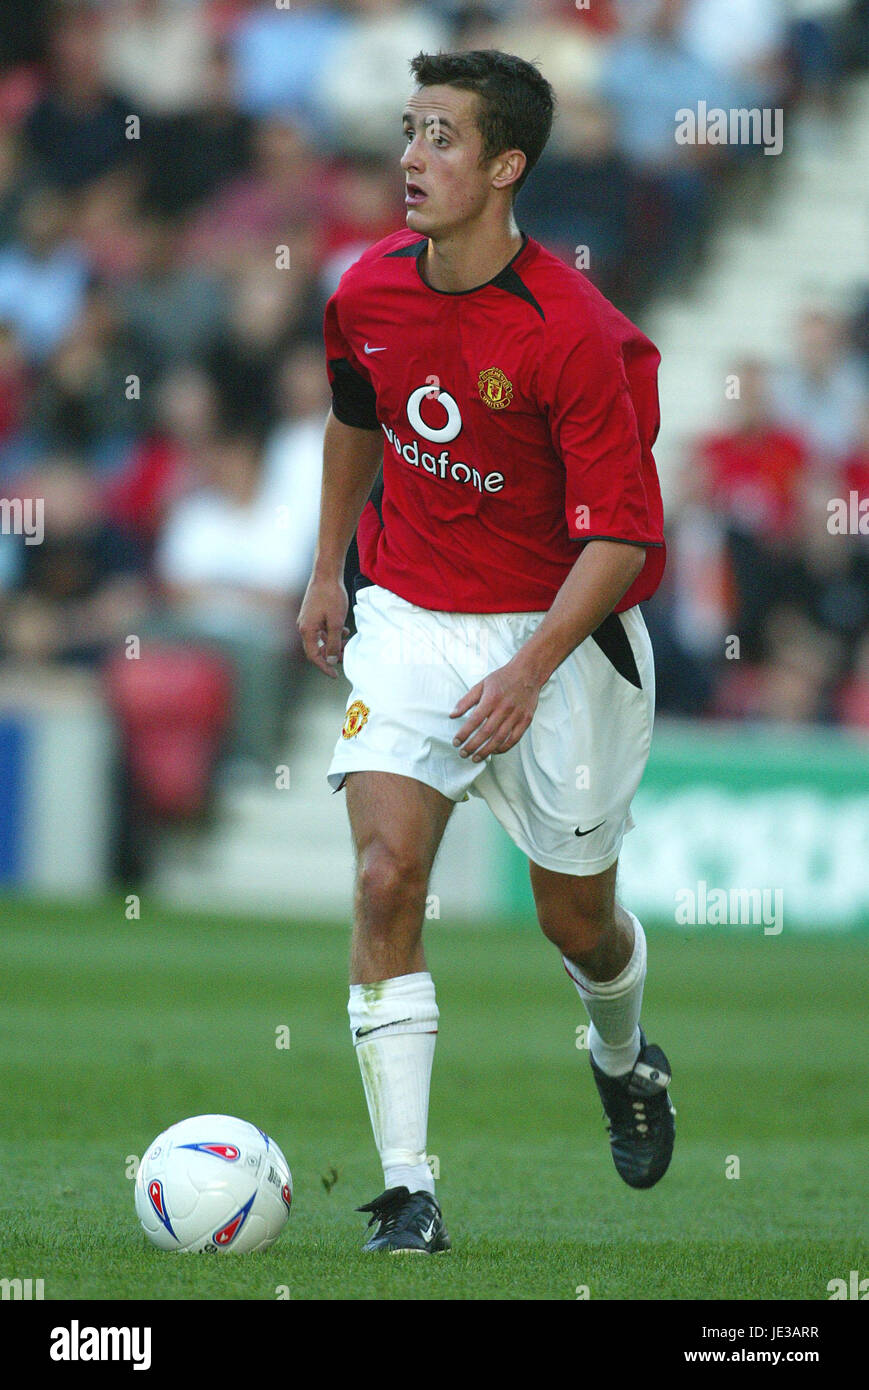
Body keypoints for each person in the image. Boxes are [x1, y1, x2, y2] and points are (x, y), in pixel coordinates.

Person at [298, 48, 675, 1255]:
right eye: (408, 131)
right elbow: (357, 414)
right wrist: (326, 568)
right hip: (407, 610)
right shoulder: (366, 290)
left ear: (505, 166)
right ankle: (408, 1190)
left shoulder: (571, 332)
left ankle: (621, 1054)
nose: (411, 158)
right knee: (381, 879)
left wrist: (526, 669)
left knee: (577, 924)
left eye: (442, 138)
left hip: (558, 634)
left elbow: (621, 532)